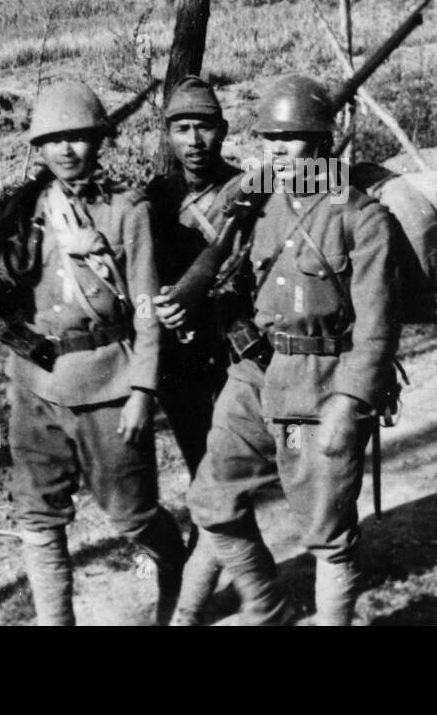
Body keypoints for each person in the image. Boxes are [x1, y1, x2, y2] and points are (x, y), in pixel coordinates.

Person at [0, 80, 184, 625]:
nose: (67, 150)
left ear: (99, 142)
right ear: (40, 148)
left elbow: (146, 308)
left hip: (107, 384)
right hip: (34, 382)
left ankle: (178, 567)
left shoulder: (128, 211)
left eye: (78, 138)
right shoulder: (29, 211)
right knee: (38, 519)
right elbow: (0, 297)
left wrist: (144, 390)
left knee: (132, 516)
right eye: (54, 140)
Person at [182, 73, 401, 625]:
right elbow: (227, 278)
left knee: (327, 534)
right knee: (211, 501)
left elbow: (377, 327)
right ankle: (268, 606)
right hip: (255, 377)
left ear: (324, 141)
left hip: (321, 386)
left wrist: (350, 404)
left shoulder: (359, 217)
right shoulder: (255, 205)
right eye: (269, 139)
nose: (277, 150)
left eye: (292, 138)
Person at [146, 76, 247, 625]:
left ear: (222, 131)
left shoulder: (247, 190)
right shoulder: (155, 197)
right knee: (201, 470)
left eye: (203, 127)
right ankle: (213, 572)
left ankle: (193, 590)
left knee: (221, 475)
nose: (193, 140)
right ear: (168, 136)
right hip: (177, 362)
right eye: (182, 129)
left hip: (232, 352)